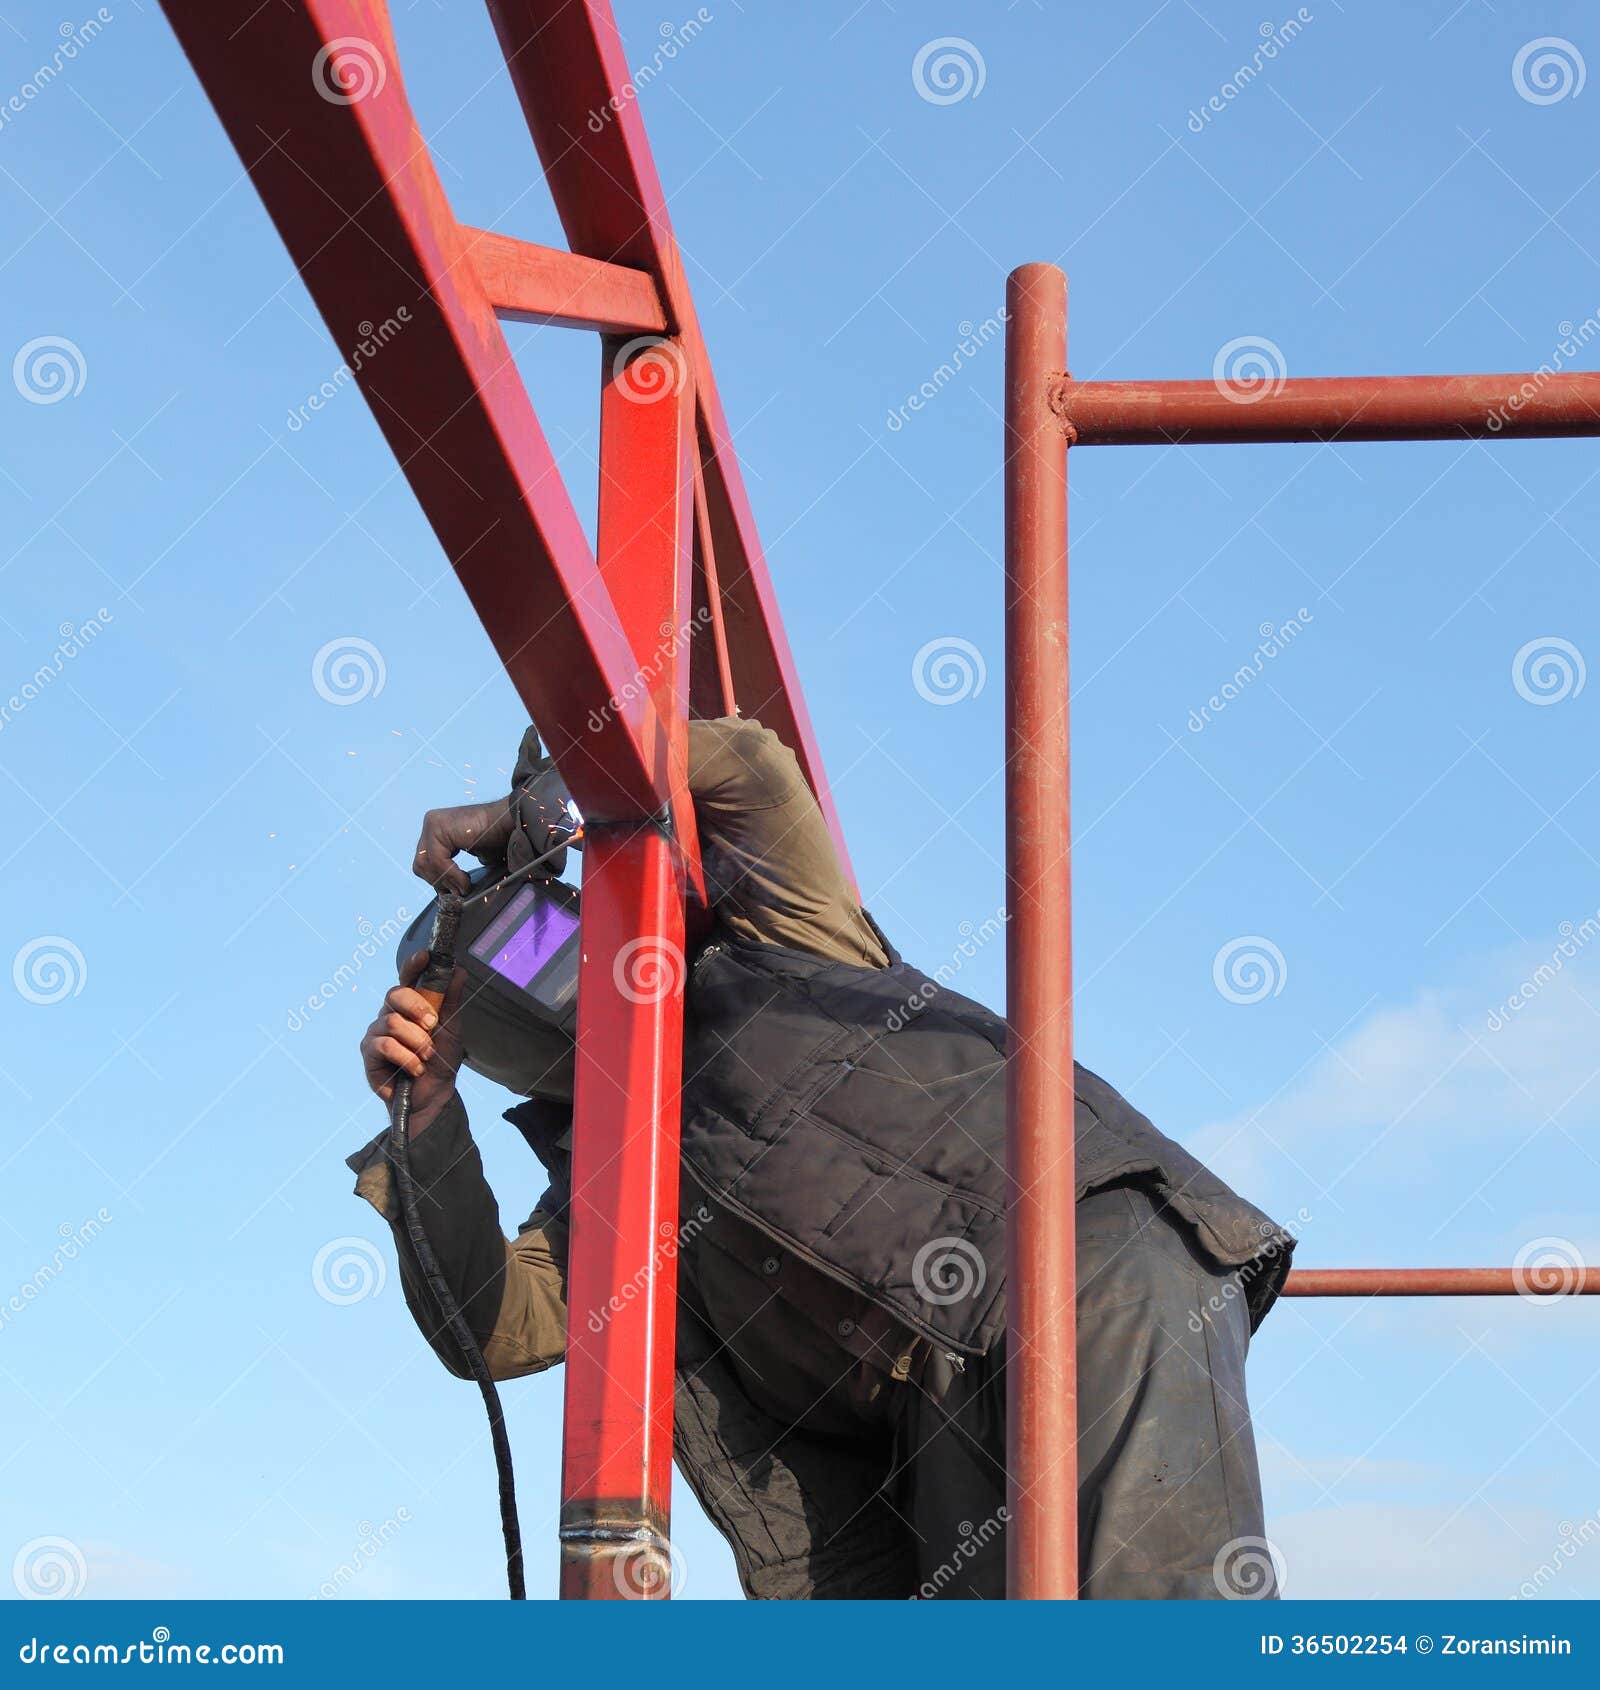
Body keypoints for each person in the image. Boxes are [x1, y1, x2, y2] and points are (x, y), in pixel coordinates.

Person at [351, 716, 1292, 1599]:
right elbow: (489, 1327)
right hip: (935, 1438)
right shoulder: (613, 1198)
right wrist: (430, 1122)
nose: (550, 960)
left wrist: (540, 811)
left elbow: (750, 766)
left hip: (1075, 1272)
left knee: (1161, 1621)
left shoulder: (784, 933)